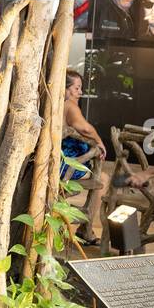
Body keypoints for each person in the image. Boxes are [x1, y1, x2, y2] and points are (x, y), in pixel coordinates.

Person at [62, 70, 110, 242]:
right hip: (66, 168)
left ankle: (84, 228)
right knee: (103, 179)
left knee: (102, 177)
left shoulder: (58, 103)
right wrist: (99, 142)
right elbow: (85, 129)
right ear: (66, 89)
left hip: (64, 165)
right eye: (77, 88)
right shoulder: (70, 105)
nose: (80, 92)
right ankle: (86, 230)